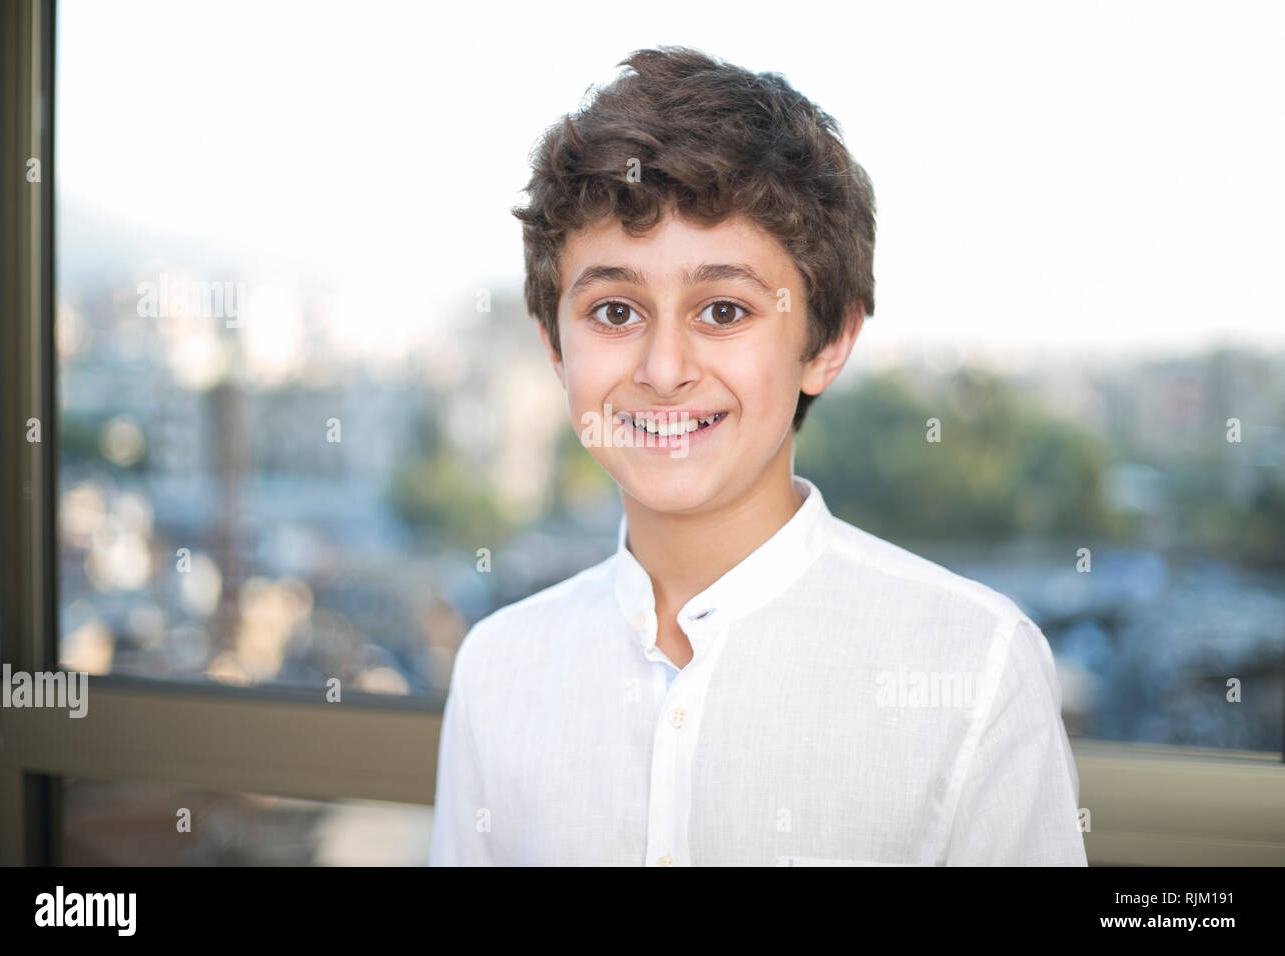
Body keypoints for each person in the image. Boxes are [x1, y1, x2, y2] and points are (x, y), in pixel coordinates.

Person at [429, 45, 1087, 866]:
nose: (665, 369)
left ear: (827, 340)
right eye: (613, 312)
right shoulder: (500, 668)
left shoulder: (978, 668)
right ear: (555, 348)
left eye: (726, 309)